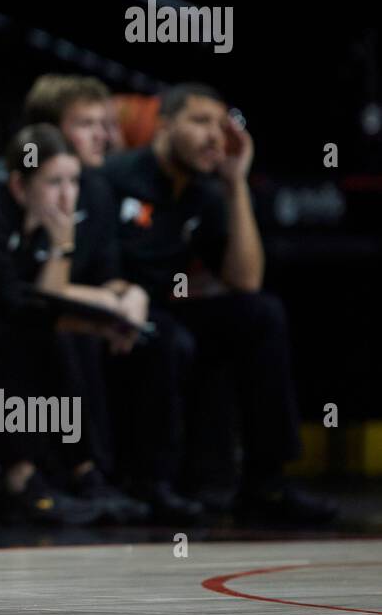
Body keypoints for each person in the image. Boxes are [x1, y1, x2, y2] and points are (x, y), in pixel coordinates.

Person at [100, 83, 337, 523]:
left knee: (261, 313)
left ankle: (265, 480)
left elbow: (245, 280)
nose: (215, 136)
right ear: (164, 125)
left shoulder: (204, 191)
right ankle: (153, 483)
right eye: (200, 121)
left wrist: (235, 184)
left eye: (221, 125)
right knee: (170, 337)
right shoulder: (114, 177)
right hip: (111, 309)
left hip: (168, 307)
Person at [0, 125, 146, 525]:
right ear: (20, 185)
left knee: (51, 337)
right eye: (55, 182)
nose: (68, 195)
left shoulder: (42, 217)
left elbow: (46, 298)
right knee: (22, 340)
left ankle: (83, 468)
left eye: (73, 181)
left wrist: (109, 306)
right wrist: (94, 318)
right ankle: (23, 474)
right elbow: (13, 303)